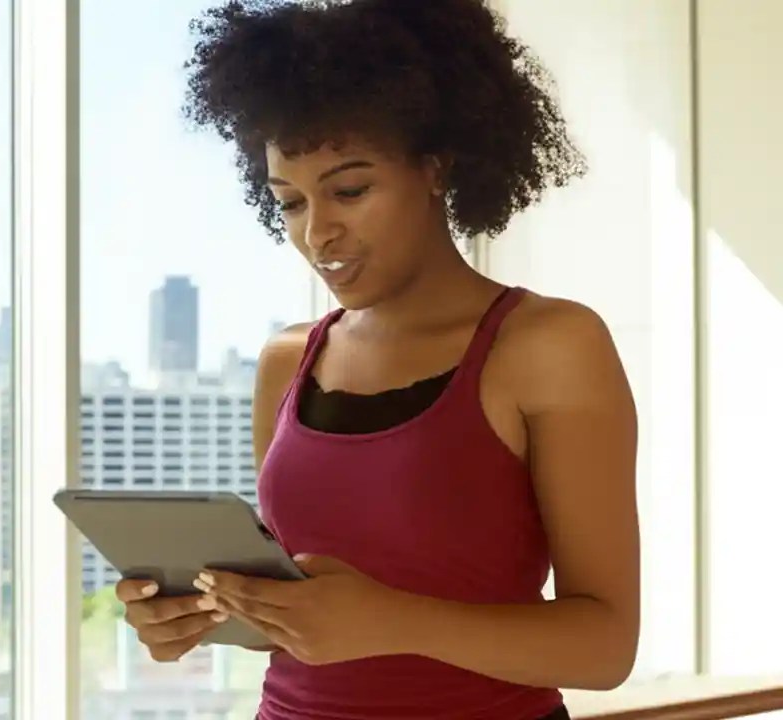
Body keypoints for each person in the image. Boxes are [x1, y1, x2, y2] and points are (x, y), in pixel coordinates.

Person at [113, 1, 640, 718]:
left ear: (437, 166)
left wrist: (394, 620)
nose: (317, 232)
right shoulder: (288, 359)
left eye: (350, 190)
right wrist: (205, 616)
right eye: (290, 202)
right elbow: (312, 618)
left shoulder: (547, 345)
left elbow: (605, 647)